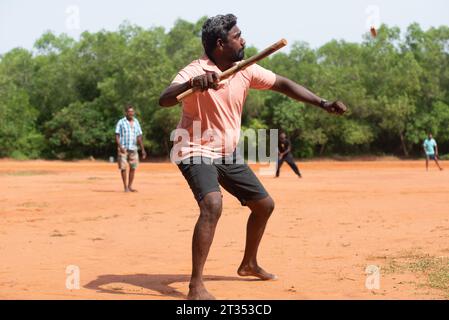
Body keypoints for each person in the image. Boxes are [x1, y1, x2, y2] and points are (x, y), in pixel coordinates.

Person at [159, 14, 347, 300]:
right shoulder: (195, 69)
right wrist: (195, 83)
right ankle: (196, 286)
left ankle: (248, 264)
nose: (243, 39)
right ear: (221, 44)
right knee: (212, 204)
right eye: (238, 36)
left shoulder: (244, 69)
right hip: (194, 149)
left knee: (264, 206)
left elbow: (282, 83)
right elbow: (165, 98)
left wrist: (322, 103)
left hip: (226, 153)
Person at [115, 105, 147, 192]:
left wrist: (143, 149)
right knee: (123, 168)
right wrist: (120, 147)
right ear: (126, 113)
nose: (131, 113)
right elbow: (117, 135)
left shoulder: (136, 122)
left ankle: (129, 186)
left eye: (132, 112)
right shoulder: (121, 122)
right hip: (123, 149)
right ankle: (125, 187)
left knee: (133, 167)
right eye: (129, 112)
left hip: (133, 148)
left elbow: (139, 136)